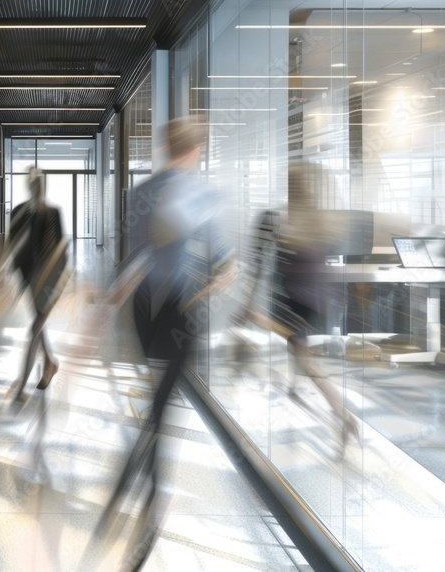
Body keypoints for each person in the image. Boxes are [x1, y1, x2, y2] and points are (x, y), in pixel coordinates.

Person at [77, 116, 236, 571]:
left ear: (166, 148)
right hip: (183, 314)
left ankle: (140, 493)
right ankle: (149, 503)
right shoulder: (204, 197)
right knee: (160, 410)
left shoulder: (140, 194)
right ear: (197, 150)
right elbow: (224, 266)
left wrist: (103, 312)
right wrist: (207, 286)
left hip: (145, 312)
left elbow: (134, 262)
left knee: (157, 406)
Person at [241, 161, 360, 450]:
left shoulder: (278, 218)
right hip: (319, 302)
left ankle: (343, 415)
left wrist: (249, 305)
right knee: (299, 353)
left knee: (304, 359)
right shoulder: (325, 222)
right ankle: (297, 389)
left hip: (294, 303)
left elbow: (258, 267)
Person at [0, 167, 70, 406]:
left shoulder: (53, 213)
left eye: (39, 180)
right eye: (32, 181)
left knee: (34, 328)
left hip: (48, 281)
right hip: (27, 278)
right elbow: (10, 244)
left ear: (45, 184)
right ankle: (50, 363)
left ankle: (22, 386)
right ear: (27, 185)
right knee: (38, 327)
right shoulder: (19, 212)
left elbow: (61, 250)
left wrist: (61, 282)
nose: (36, 184)